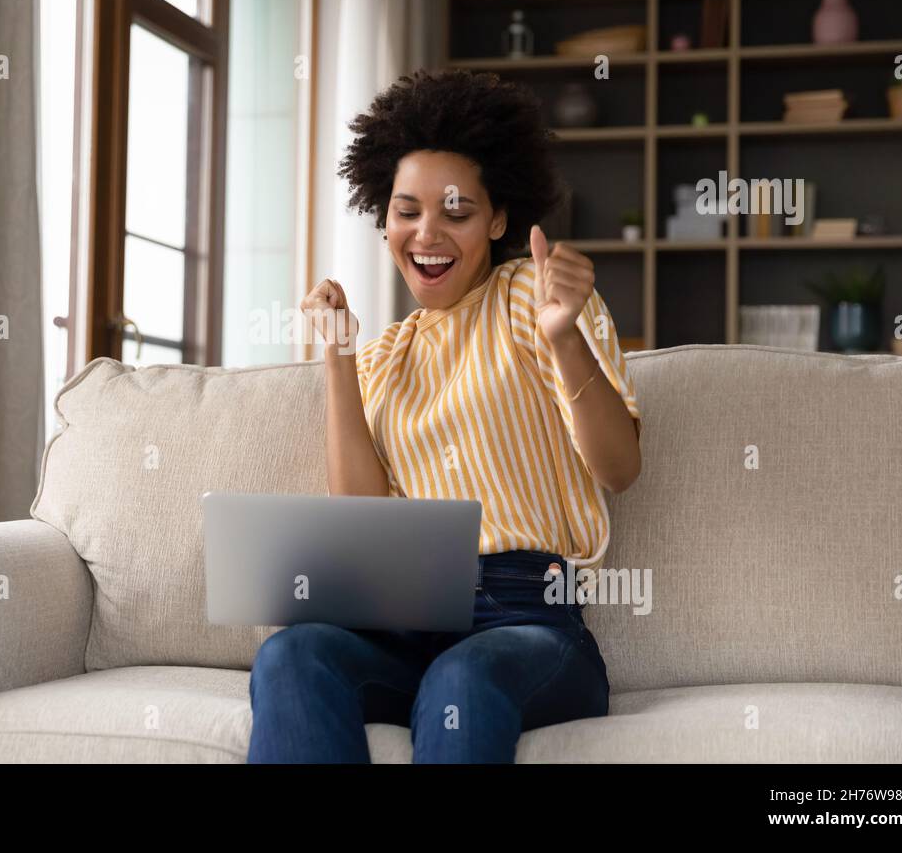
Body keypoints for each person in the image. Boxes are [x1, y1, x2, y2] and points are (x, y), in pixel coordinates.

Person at [246, 68, 643, 763]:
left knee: (462, 679)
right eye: (407, 211)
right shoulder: (386, 356)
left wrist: (564, 338)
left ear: (497, 219)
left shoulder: (533, 298)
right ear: (385, 218)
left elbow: (619, 469)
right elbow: (362, 520)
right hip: (405, 619)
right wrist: (339, 358)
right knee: (293, 654)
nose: (426, 233)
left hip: (528, 620)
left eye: (455, 212)